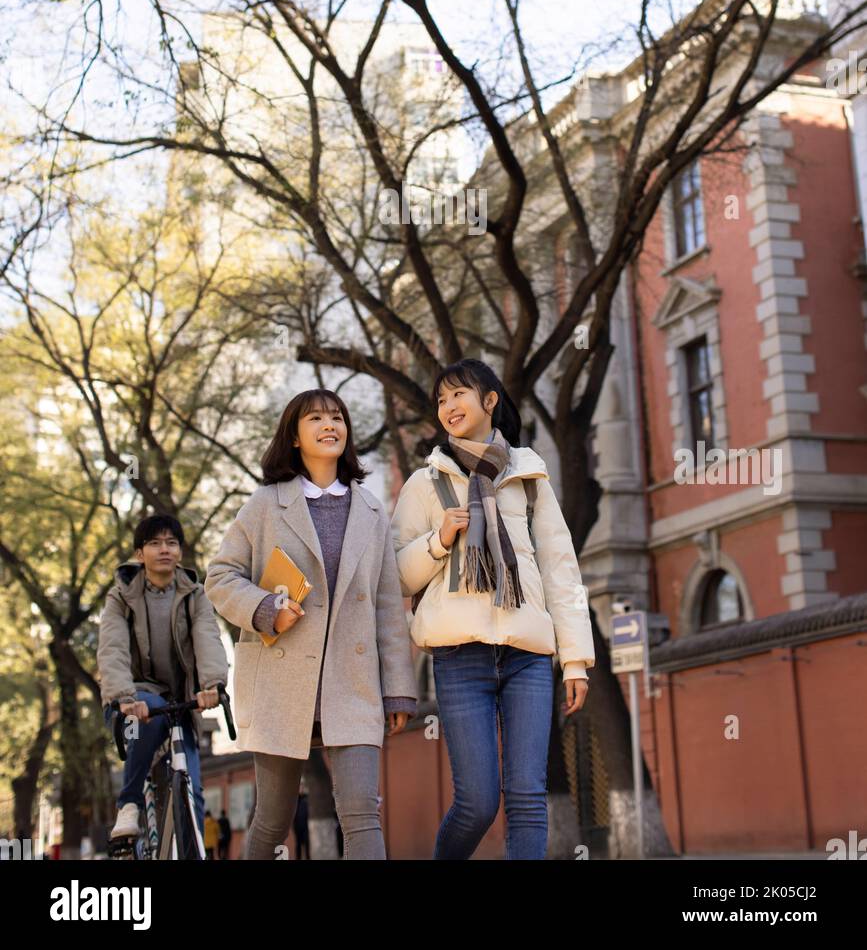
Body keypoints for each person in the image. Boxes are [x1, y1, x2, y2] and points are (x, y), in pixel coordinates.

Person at [391, 357, 595, 860]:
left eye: (459, 394)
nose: (448, 406)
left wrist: (574, 660)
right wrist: (439, 541)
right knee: (478, 801)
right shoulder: (426, 483)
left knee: (527, 797)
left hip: (527, 657)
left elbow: (560, 571)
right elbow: (394, 576)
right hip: (459, 659)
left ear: (489, 401)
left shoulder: (529, 478)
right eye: (441, 399)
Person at [205, 388, 417, 860]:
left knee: (363, 812)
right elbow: (219, 577)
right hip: (282, 682)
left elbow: (386, 604)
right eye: (317, 417)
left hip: (354, 684)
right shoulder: (265, 505)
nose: (330, 425)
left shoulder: (372, 510)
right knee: (273, 819)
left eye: (338, 417)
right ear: (295, 436)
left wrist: (398, 687)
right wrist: (264, 609)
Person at [97, 514, 228, 842]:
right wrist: (124, 697)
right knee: (149, 713)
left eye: (171, 543)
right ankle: (129, 804)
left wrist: (212, 684)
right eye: (154, 543)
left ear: (180, 552)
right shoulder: (121, 597)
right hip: (134, 696)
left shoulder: (195, 595)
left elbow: (208, 637)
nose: (164, 549)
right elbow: (112, 649)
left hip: (181, 700)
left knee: (193, 790)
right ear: (140, 554)